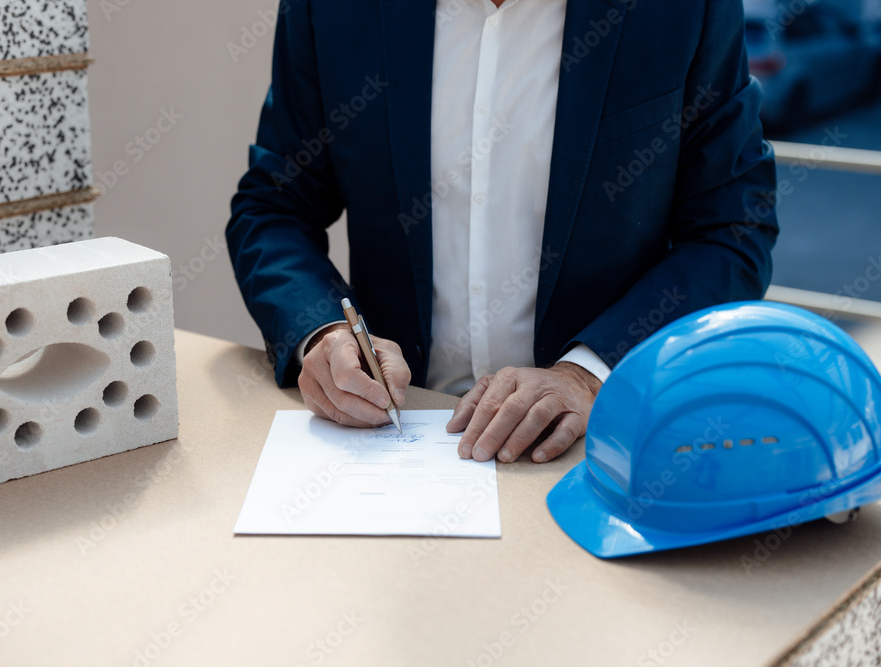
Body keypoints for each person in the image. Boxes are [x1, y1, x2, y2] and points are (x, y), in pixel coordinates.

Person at [226, 0, 779, 464]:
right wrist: (322, 330)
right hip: (396, 441)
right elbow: (274, 206)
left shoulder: (684, 10)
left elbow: (732, 229)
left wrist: (589, 374)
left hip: (596, 444)